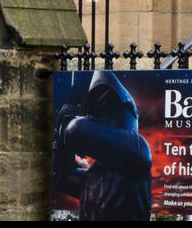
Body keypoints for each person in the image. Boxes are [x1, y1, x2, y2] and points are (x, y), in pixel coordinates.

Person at [52, 71, 153, 220]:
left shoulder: (138, 152)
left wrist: (67, 121)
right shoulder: (95, 178)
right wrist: (60, 135)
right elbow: (61, 177)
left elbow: (77, 131)